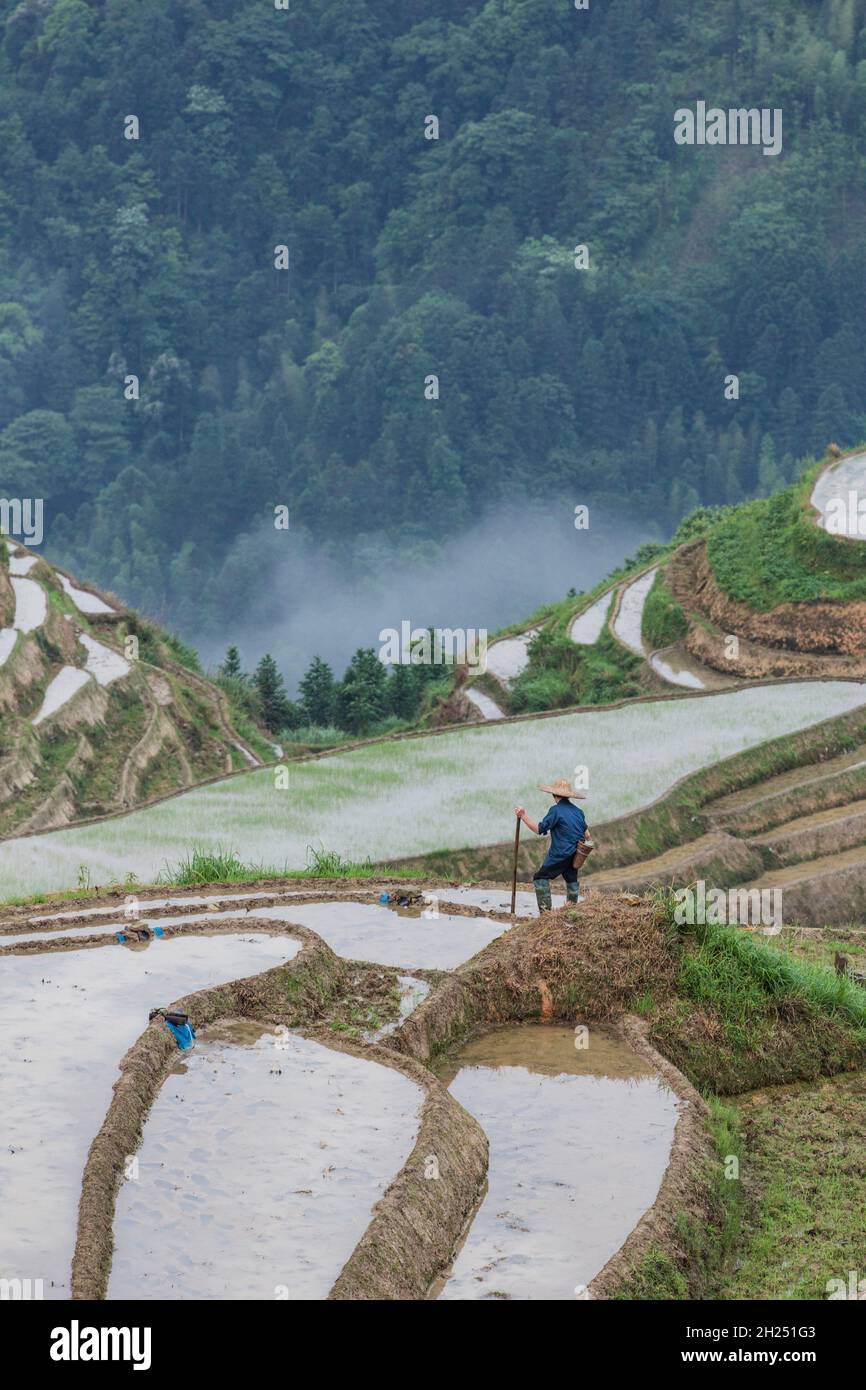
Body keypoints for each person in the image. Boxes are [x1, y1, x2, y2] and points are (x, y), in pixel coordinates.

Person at [515, 777, 588, 912]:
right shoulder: (579, 812)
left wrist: (523, 816)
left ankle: (546, 912)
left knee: (540, 878)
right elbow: (587, 835)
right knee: (571, 879)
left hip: (561, 854)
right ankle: (571, 910)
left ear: (554, 794)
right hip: (575, 854)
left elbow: (539, 829)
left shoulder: (555, 810)